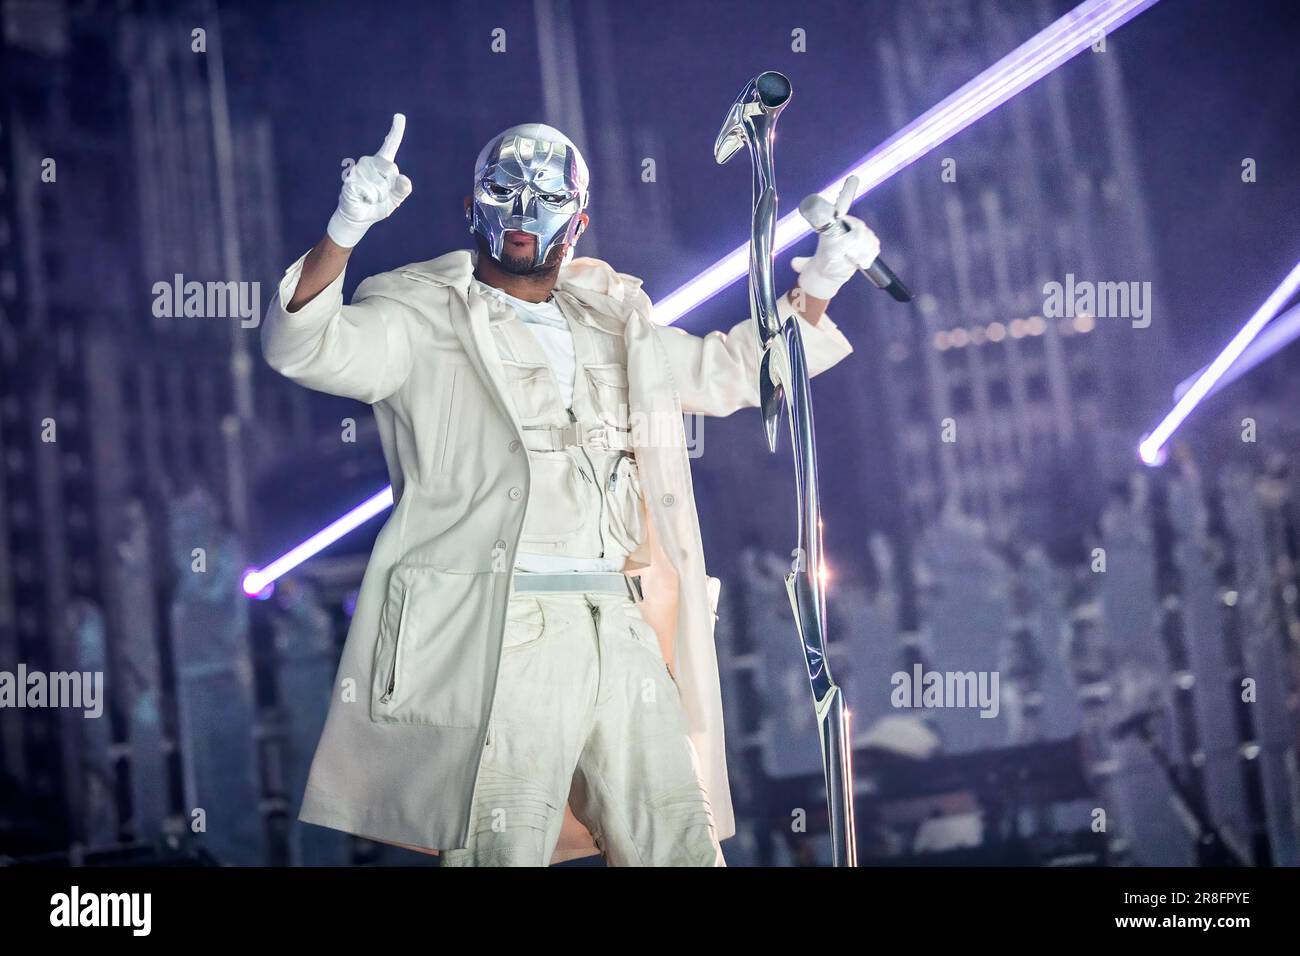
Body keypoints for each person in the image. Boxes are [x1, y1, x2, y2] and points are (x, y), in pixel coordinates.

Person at [261, 114, 880, 866]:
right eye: (504, 191)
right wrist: (347, 225)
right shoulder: (419, 315)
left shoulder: (615, 322)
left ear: (578, 221)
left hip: (619, 623)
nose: (523, 214)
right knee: (501, 844)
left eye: (547, 196)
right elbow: (309, 346)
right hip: (506, 622)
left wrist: (821, 279)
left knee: (678, 840)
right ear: (471, 207)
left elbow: (737, 369)